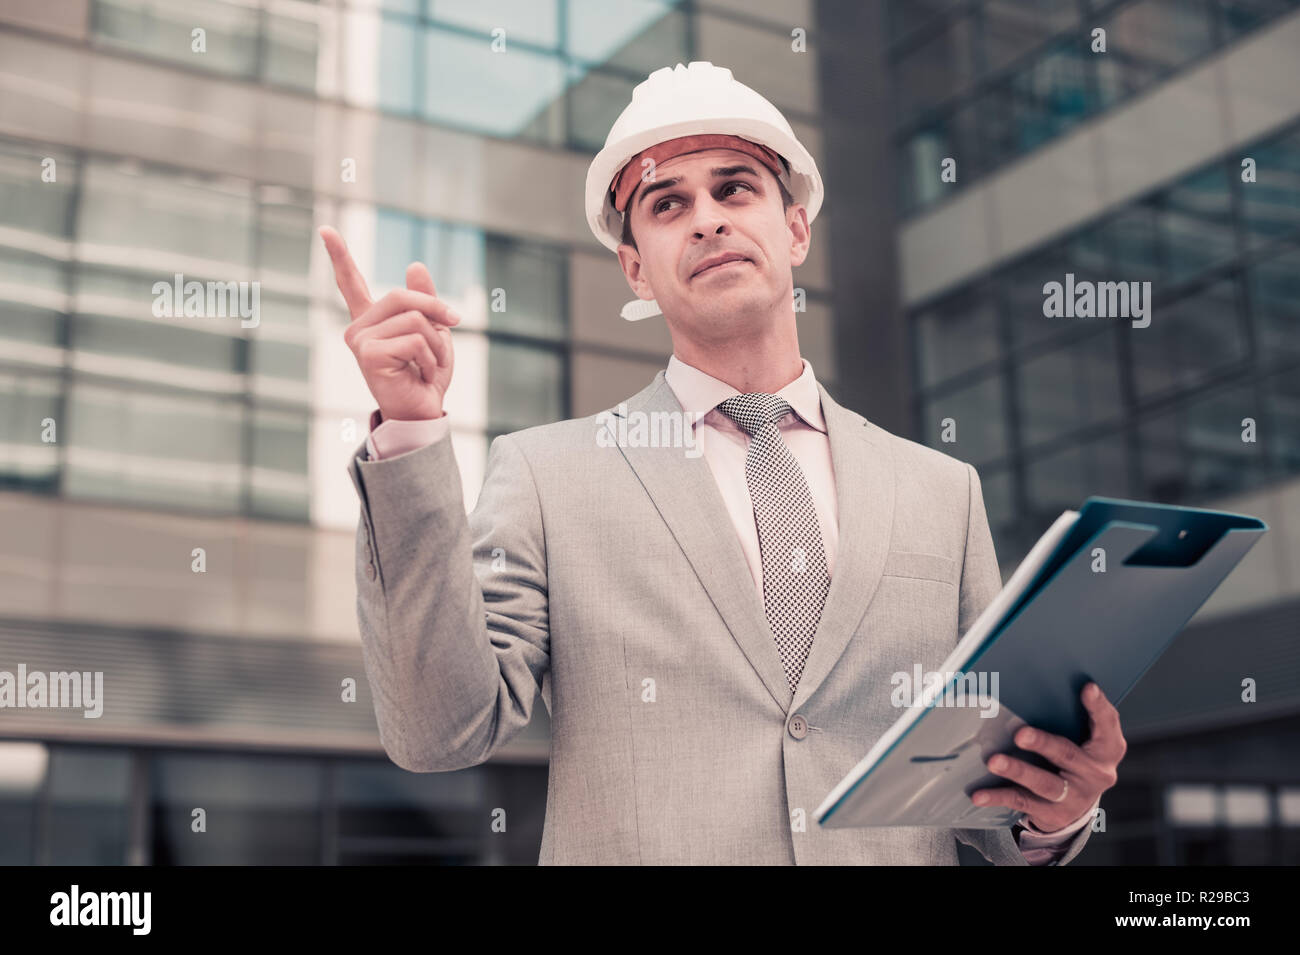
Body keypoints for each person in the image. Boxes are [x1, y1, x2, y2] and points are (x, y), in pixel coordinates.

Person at [321, 61, 1126, 865]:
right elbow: (440, 730)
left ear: (796, 228)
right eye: (667, 204)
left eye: (735, 189)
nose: (707, 219)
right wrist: (412, 429)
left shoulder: (943, 492)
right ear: (635, 267)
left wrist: (1055, 807)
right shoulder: (544, 474)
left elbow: (979, 804)